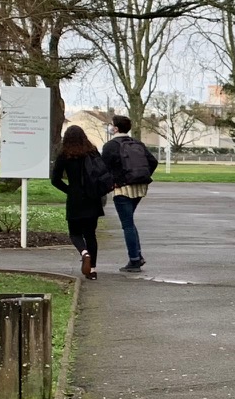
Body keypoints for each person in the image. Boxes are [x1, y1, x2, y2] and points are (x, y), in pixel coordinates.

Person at [49, 125, 113, 280]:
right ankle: (92, 270)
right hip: (92, 198)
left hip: (75, 198)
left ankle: (84, 253)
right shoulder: (92, 152)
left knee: (75, 233)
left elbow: (55, 180)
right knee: (91, 234)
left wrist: (69, 190)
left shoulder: (64, 155)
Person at [101, 114, 160, 272]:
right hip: (140, 187)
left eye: (111, 124)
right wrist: (142, 175)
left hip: (122, 188)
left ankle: (134, 260)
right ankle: (137, 256)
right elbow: (153, 162)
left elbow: (102, 169)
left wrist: (110, 183)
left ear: (116, 128)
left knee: (127, 224)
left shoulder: (110, 146)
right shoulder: (137, 143)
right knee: (129, 222)